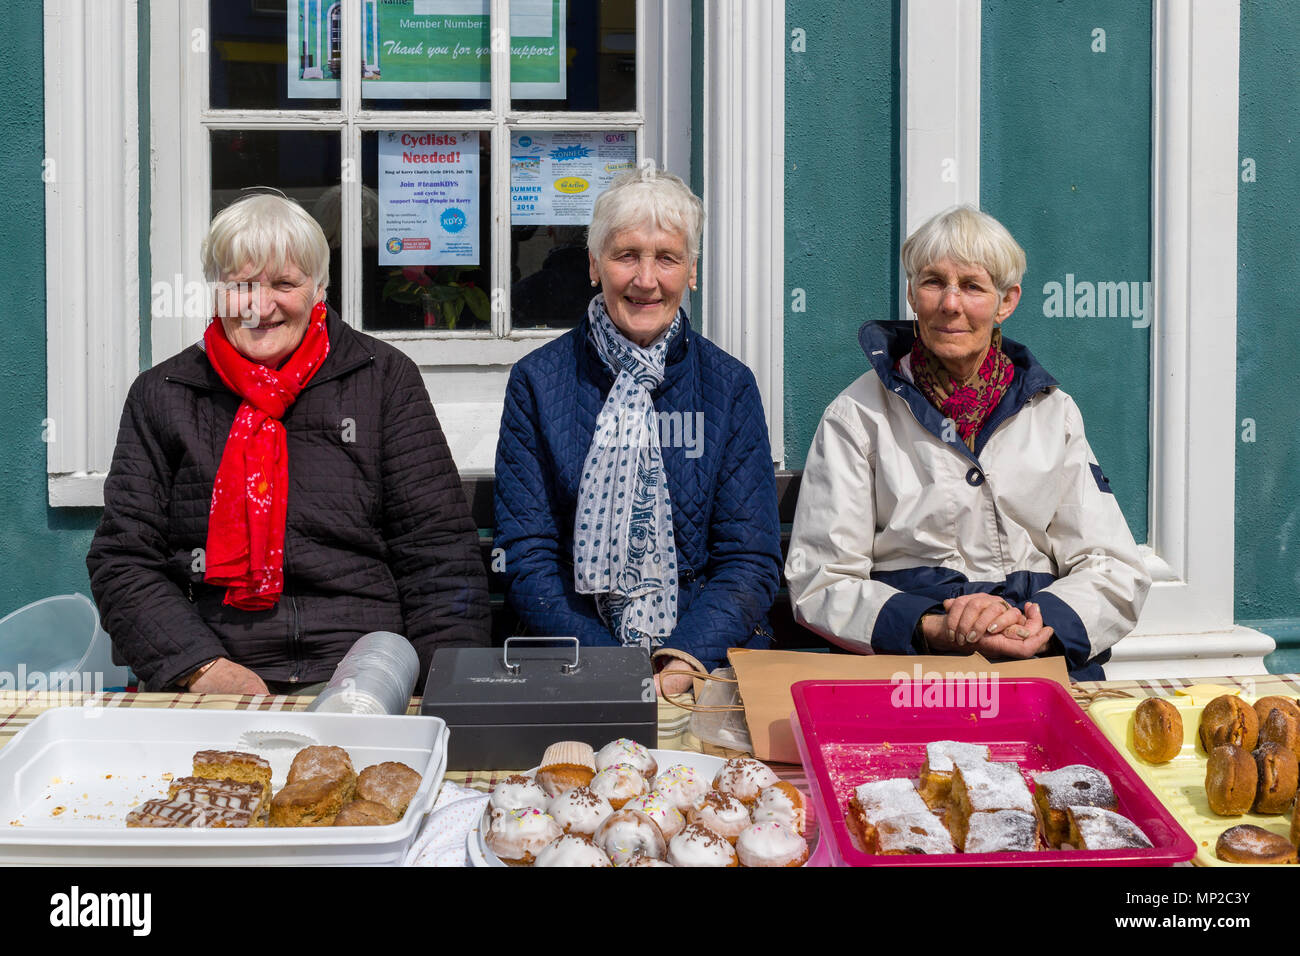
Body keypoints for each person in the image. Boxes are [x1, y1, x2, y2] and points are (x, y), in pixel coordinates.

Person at [87, 193, 488, 694]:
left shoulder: (382, 379)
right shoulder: (163, 394)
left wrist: (442, 688)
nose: (261, 305)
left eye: (284, 283)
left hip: (362, 671)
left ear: (319, 288)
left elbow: (438, 551)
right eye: (242, 285)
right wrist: (202, 668)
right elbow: (123, 560)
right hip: (218, 668)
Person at [785, 206, 1150, 680]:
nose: (950, 304)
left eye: (972, 286)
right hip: (913, 671)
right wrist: (930, 626)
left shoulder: (1053, 412)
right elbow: (821, 579)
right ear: (913, 295)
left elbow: (1113, 568)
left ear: (1006, 302)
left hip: (1035, 659)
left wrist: (1042, 623)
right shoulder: (857, 416)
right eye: (933, 282)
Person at [494, 169, 782, 695]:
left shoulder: (729, 386)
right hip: (576, 659)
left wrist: (682, 659)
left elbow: (749, 559)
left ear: (691, 271)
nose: (645, 279)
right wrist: (615, 666)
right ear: (593, 264)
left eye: (666, 258)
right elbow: (527, 557)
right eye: (626, 255)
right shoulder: (538, 381)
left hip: (703, 659)